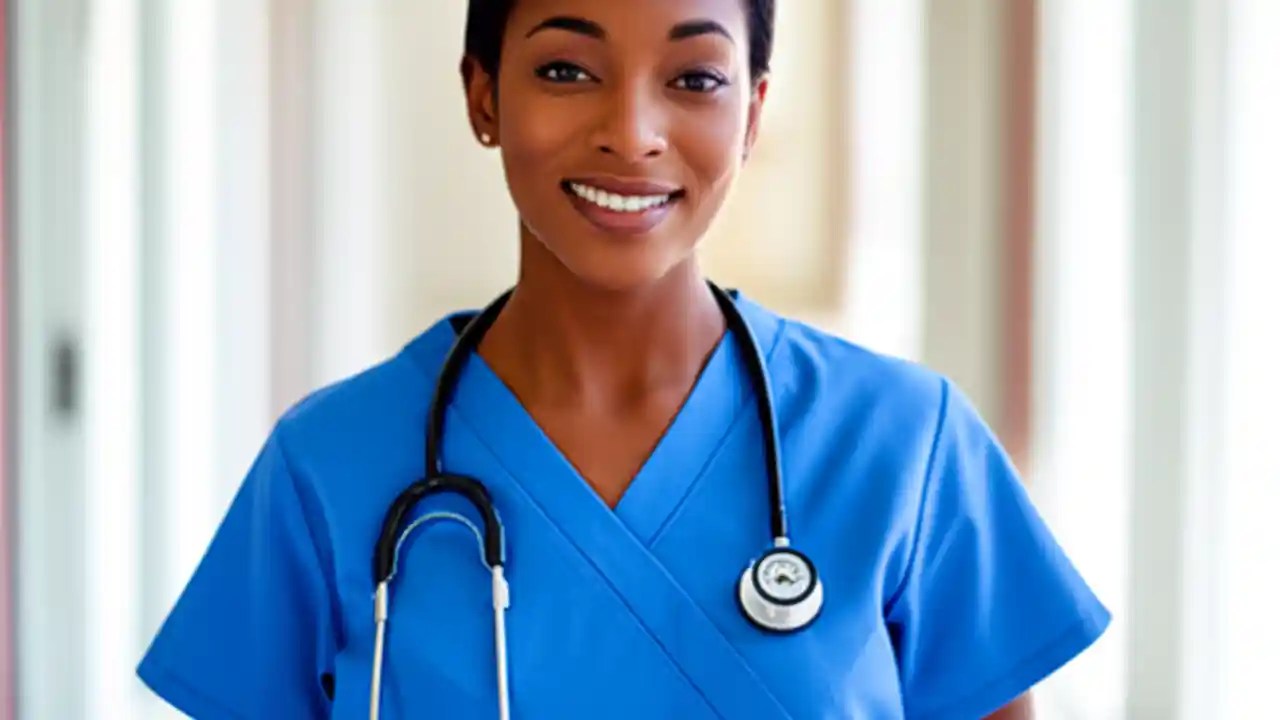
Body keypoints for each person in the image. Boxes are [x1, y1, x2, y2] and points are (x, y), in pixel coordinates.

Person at [137, 1, 1110, 718]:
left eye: (692, 80)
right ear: (481, 95)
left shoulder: (903, 448)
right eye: (566, 69)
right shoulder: (328, 467)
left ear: (752, 114)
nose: (630, 134)